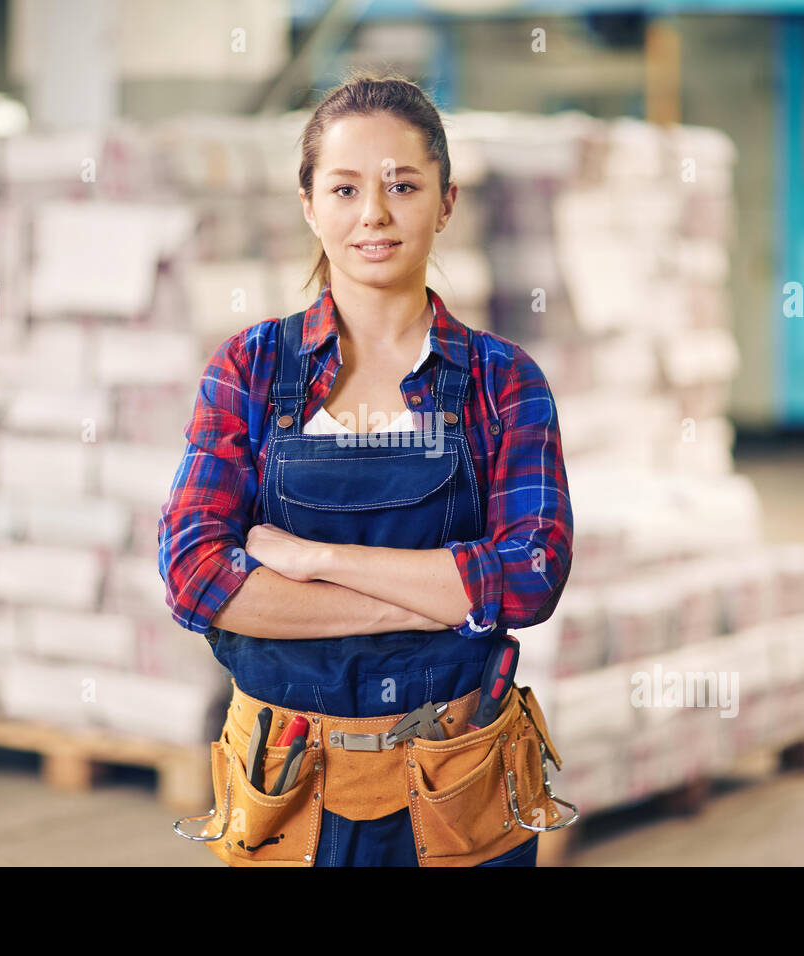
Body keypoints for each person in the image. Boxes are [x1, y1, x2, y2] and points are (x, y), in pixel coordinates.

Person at [159, 71, 574, 867]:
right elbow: (195, 576)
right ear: (309, 204)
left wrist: (317, 562)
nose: (374, 214)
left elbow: (529, 577)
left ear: (446, 202)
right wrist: (442, 600)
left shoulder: (503, 381)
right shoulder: (250, 369)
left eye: (403, 185)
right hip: (283, 785)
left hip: (460, 788)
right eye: (345, 188)